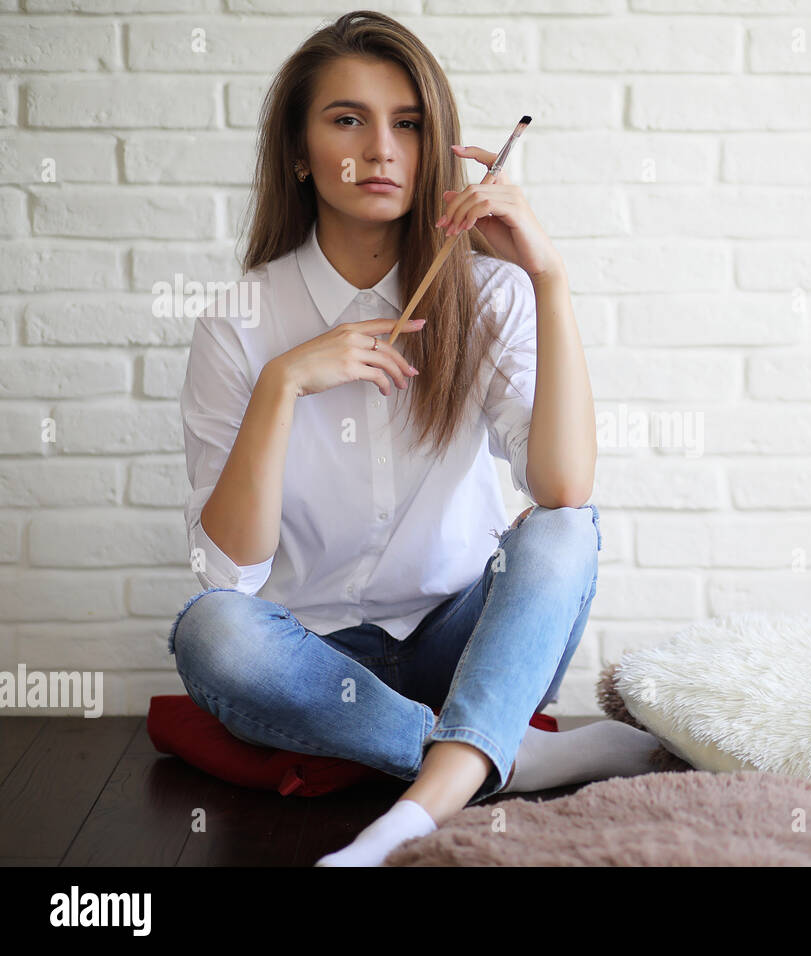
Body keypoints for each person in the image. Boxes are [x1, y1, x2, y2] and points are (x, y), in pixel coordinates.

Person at [167, 10, 660, 867]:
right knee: (210, 630)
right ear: (298, 150)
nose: (383, 150)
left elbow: (563, 487)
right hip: (319, 666)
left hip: (462, 644)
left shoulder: (490, 293)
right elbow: (229, 576)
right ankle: (498, 754)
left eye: (409, 123)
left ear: (436, 149)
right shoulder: (239, 321)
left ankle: (409, 815)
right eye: (347, 119)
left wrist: (548, 277)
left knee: (562, 530)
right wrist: (284, 383)